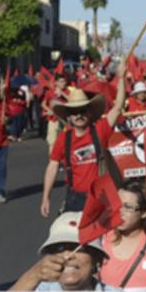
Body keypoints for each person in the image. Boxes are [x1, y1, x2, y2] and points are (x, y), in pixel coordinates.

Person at [40, 61, 128, 218]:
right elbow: (52, 167)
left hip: (102, 195)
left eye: (82, 111)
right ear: (69, 117)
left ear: (89, 113)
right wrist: (46, 198)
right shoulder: (63, 139)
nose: (79, 115)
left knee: (104, 240)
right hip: (75, 197)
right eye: (74, 112)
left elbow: (118, 107)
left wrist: (121, 78)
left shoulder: (100, 129)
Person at [10, 211, 108, 292]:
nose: (68, 255)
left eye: (78, 248)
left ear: (96, 258)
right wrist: (34, 275)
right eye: (60, 248)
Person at [99, 180, 146, 292]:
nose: (120, 212)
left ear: (144, 212)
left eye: (128, 207)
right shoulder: (101, 239)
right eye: (116, 205)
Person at [42, 73, 70, 148]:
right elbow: (43, 104)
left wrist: (63, 94)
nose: (63, 83)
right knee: (52, 142)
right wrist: (49, 111)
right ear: (56, 82)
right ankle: (52, 158)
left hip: (64, 120)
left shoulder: (68, 91)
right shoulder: (50, 92)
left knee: (65, 142)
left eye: (64, 81)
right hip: (53, 119)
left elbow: (72, 102)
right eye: (61, 81)